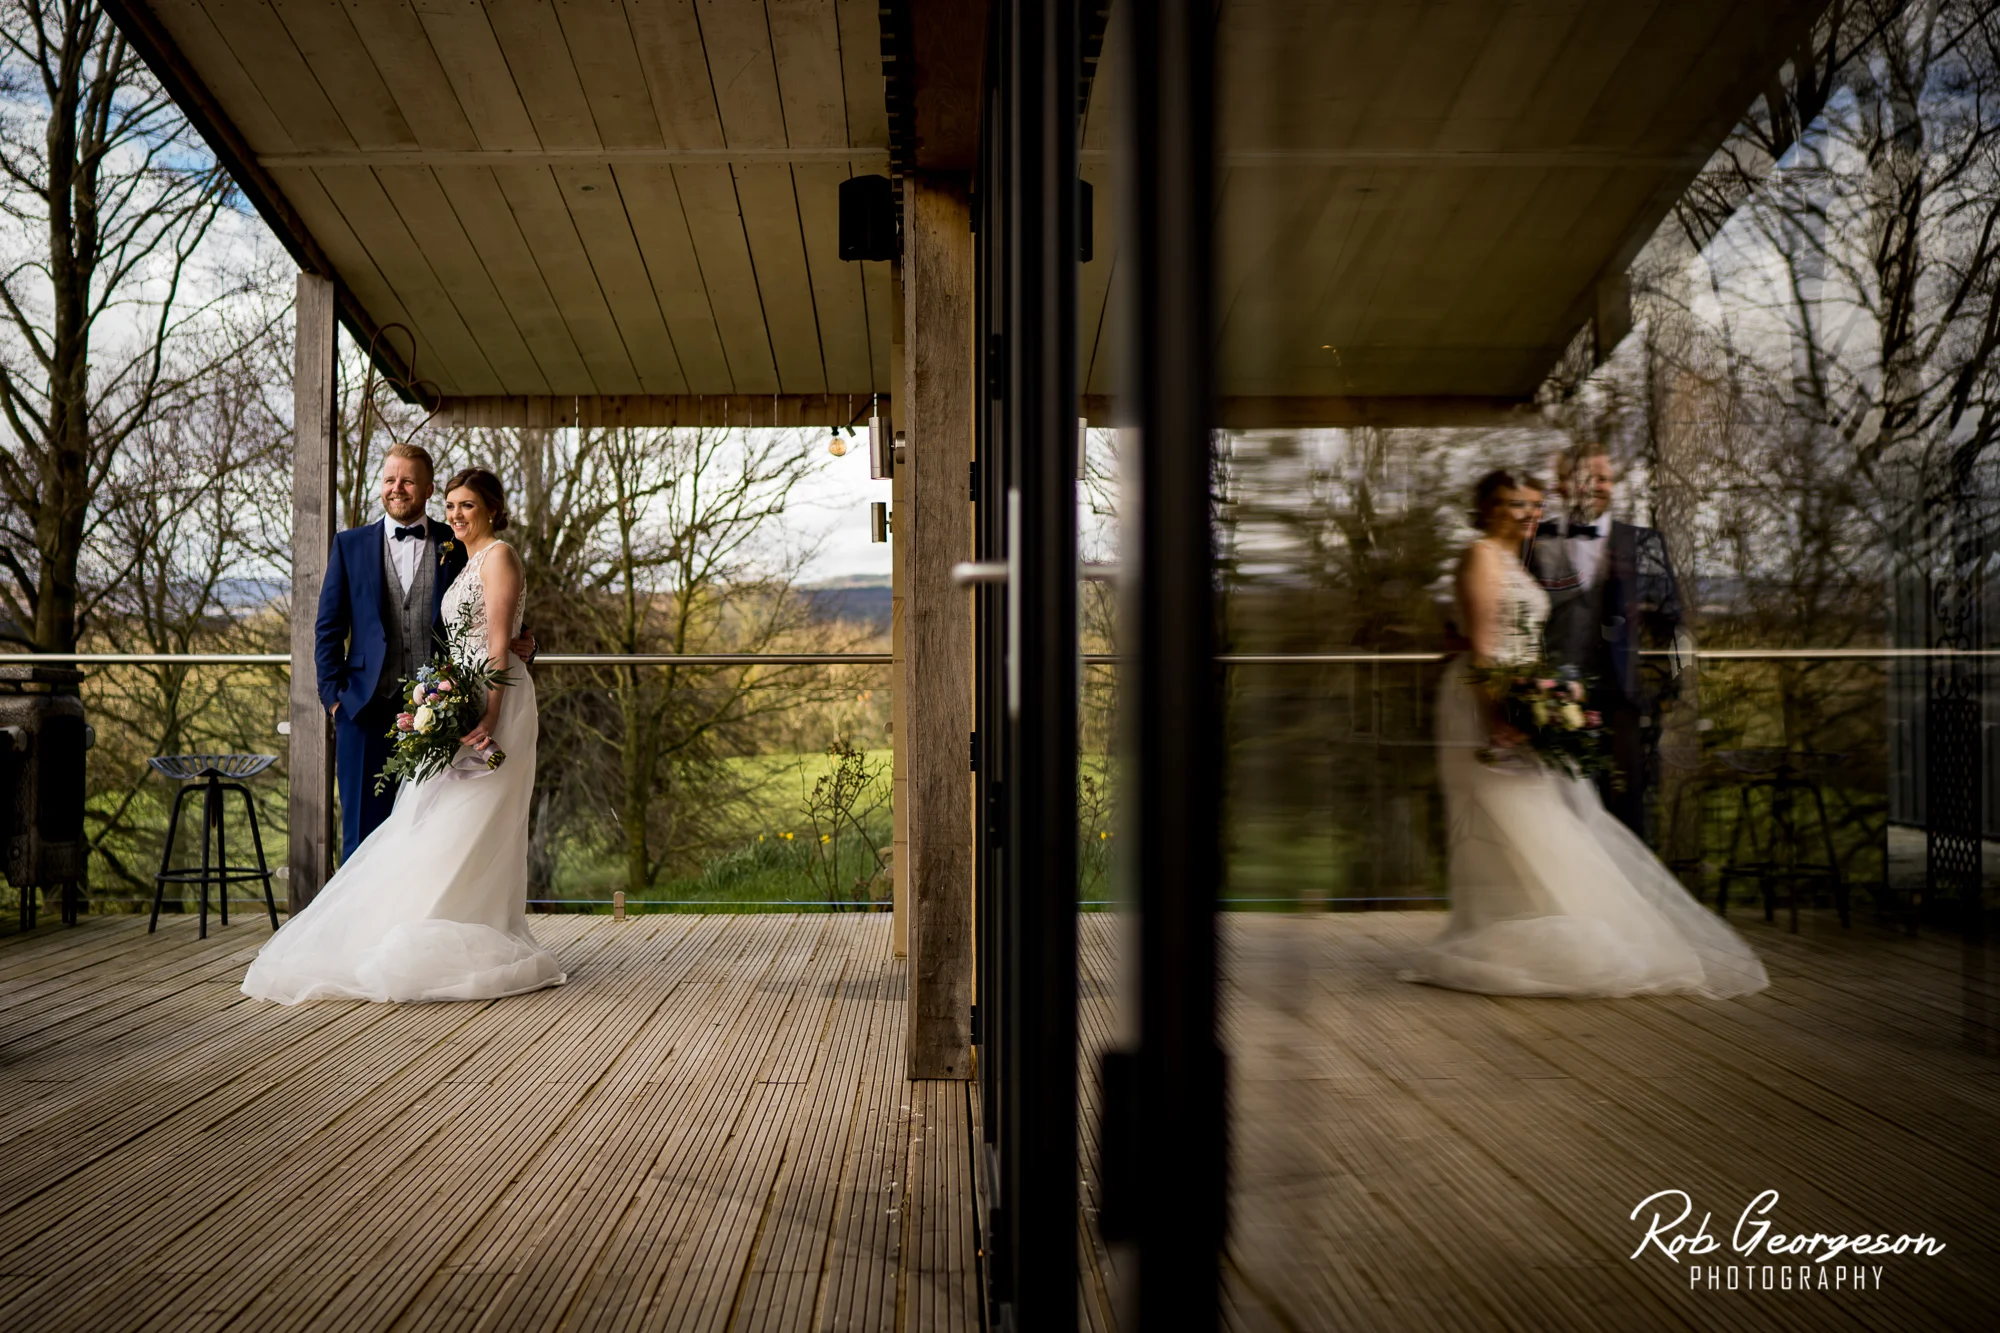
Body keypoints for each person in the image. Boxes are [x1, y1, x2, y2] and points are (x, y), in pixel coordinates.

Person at [1402, 470, 1765, 998]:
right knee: (1511, 816)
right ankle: (1514, 931)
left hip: (1522, 692)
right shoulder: (1480, 555)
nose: (1526, 514)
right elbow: (1482, 648)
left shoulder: (1513, 559)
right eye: (1511, 504)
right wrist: (1498, 716)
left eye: (1532, 504)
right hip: (1483, 700)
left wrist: (1548, 696)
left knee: (1549, 813)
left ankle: (1544, 929)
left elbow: (1516, 637)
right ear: (1486, 509)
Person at [246, 468, 565, 1003]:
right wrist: (335, 697)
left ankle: (472, 924)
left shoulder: (488, 553)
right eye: (452, 506)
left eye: (466, 505)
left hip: (491, 703)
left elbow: (499, 638)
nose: (456, 514)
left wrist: (491, 706)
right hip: (437, 702)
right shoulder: (449, 553)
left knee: (476, 821)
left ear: (491, 506)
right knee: (420, 820)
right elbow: (329, 626)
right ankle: (407, 924)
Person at [314, 444, 532, 858]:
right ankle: (362, 924)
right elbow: (327, 628)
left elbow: (500, 614)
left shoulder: (461, 539)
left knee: (434, 837)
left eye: (408, 480)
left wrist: (531, 643)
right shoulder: (350, 545)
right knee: (361, 836)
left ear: (428, 488)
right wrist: (334, 700)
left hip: (444, 714)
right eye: (390, 480)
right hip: (364, 708)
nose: (397, 488)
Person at [1526, 443, 1682, 838]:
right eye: (1587, 478)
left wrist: (1655, 694)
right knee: (1560, 816)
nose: (1598, 486)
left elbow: (1669, 622)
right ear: (1562, 486)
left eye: (1605, 478)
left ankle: (1630, 899)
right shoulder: (1534, 541)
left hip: (1623, 703)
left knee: (1625, 812)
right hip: (1552, 700)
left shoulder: (1643, 542)